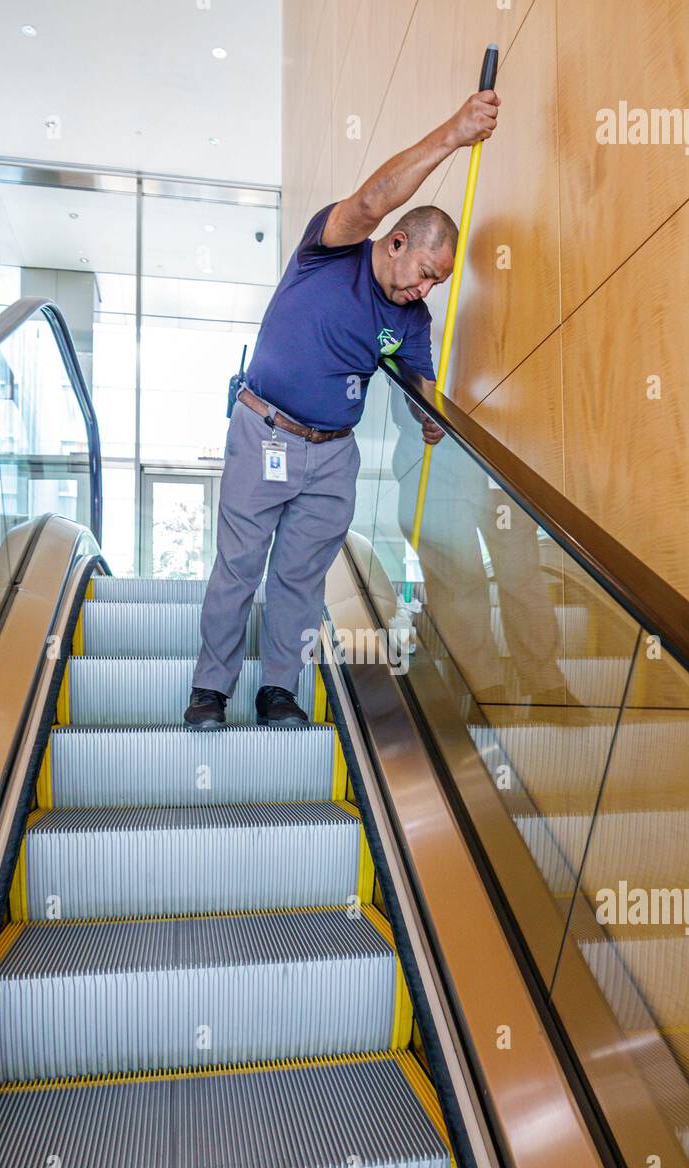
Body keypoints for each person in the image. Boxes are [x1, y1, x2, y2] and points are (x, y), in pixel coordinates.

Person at [185, 84, 500, 729]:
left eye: (439, 280)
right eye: (423, 270)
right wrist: (454, 132)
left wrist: (432, 418)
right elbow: (372, 200)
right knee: (238, 571)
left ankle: (278, 691)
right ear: (395, 243)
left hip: (334, 458)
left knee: (298, 582)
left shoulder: (412, 319)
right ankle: (210, 692)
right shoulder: (327, 252)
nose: (425, 287)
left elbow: (420, 387)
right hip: (264, 431)